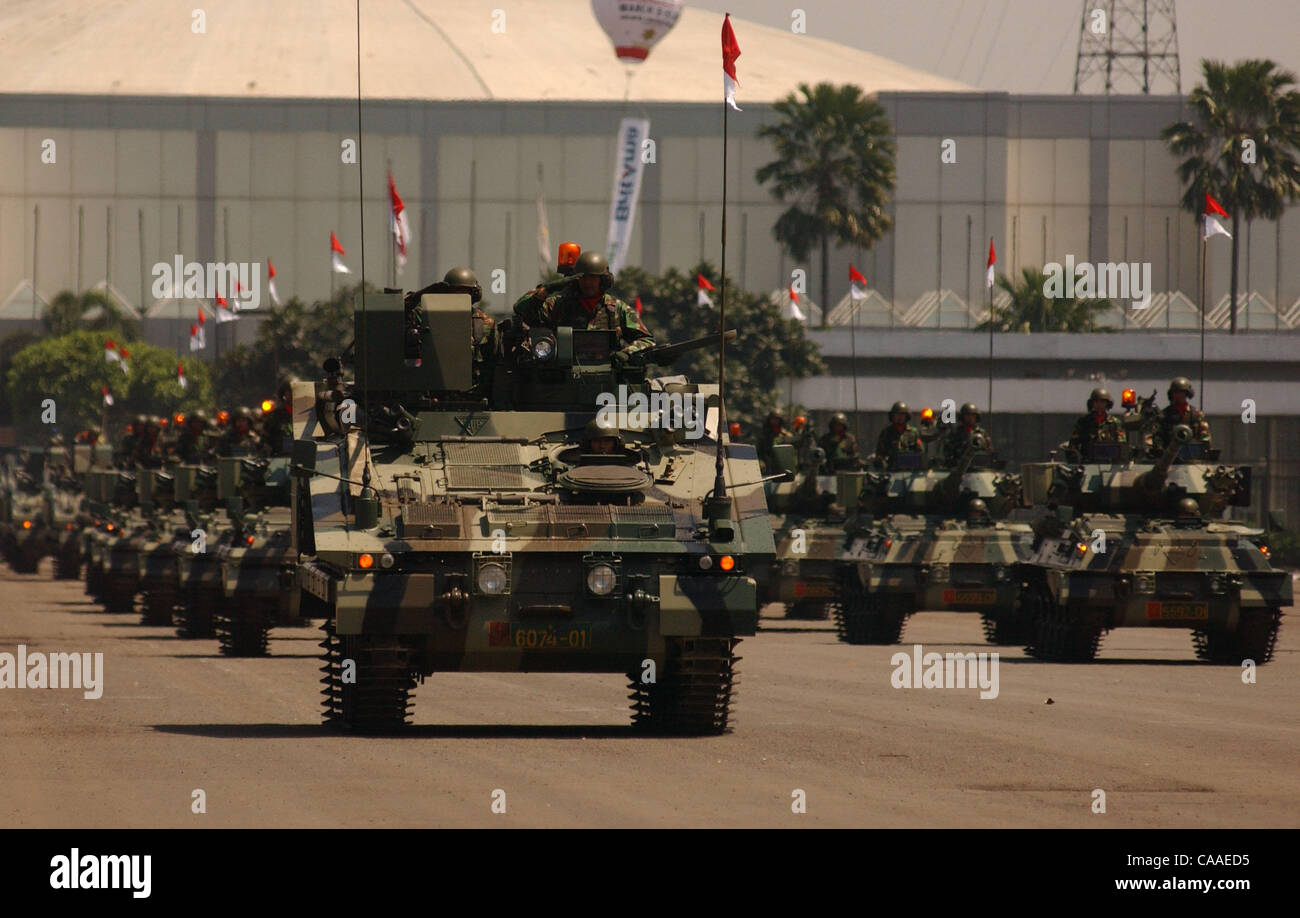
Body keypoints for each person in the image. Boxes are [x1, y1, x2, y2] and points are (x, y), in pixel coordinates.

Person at [531, 252, 654, 367]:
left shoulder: (617, 309)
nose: (587, 282)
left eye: (593, 277)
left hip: (608, 379)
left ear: (603, 280)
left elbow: (646, 340)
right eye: (583, 277)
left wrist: (626, 353)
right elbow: (521, 308)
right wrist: (548, 288)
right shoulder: (558, 305)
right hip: (564, 378)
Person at [513, 241, 582, 326]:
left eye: (593, 278)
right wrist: (548, 288)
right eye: (585, 279)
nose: (589, 283)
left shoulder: (603, 304)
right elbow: (519, 308)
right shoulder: (558, 303)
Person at [1154, 377, 1211, 453]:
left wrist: (1205, 447)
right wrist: (1159, 449)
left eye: (1181, 392)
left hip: (1192, 455)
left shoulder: (1196, 414)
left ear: (1187, 394)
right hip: (1168, 455)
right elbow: (1158, 436)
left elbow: (1204, 436)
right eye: (1176, 392)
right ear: (1172, 394)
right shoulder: (1164, 415)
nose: (1178, 395)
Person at [1068, 388, 1125, 457]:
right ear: (1092, 403)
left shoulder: (1115, 423)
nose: (1099, 405)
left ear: (1107, 404)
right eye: (1096, 402)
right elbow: (1073, 443)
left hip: (1110, 461)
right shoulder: (1084, 421)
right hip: (1088, 461)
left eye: (1102, 402)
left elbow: (1122, 444)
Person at [874, 401, 924, 467]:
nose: (900, 417)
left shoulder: (913, 432)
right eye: (897, 414)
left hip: (910, 469)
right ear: (892, 416)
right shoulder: (886, 432)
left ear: (906, 416)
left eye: (902, 415)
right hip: (891, 469)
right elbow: (879, 453)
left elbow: (921, 452)